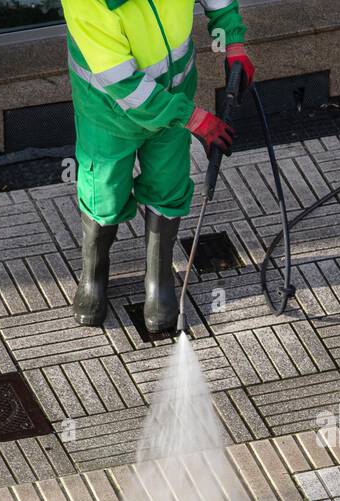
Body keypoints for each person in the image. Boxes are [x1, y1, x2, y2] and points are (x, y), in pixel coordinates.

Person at [62, 0, 255, 333]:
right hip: (108, 113)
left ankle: (159, 276)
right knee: (104, 191)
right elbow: (124, 85)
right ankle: (93, 274)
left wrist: (232, 41)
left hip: (174, 96)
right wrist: (195, 120)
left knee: (168, 182)